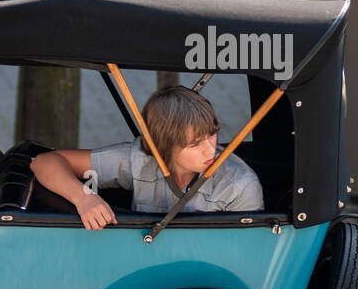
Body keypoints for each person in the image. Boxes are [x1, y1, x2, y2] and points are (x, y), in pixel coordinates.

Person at [30, 85, 264, 230]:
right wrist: (84, 199)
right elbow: (44, 162)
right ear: (163, 147)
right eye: (194, 144)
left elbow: (250, 258)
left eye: (212, 134)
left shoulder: (240, 186)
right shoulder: (140, 159)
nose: (210, 149)